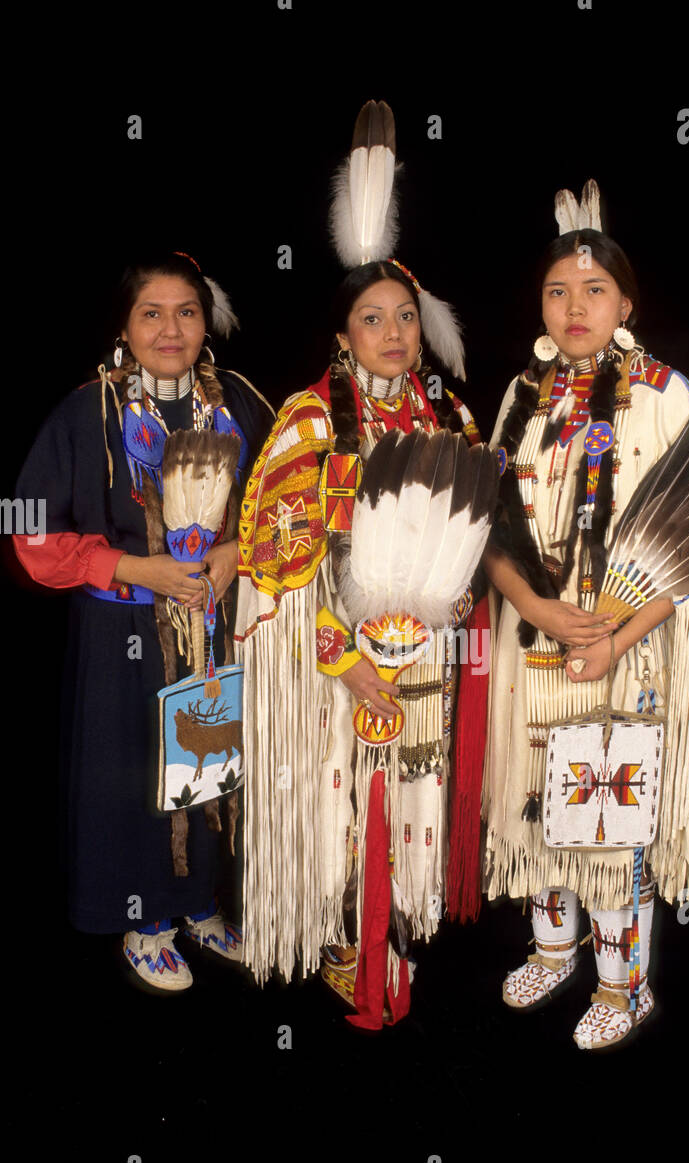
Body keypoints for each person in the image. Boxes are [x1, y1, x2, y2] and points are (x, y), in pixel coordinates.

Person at [236, 102, 485, 1030]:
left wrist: (437, 628)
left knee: (410, 797)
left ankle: (397, 934)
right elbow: (275, 561)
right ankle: (346, 940)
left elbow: (478, 548)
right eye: (372, 319)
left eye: (406, 318)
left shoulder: (449, 423)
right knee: (339, 803)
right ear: (342, 334)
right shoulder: (308, 420)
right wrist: (349, 663)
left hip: (421, 664)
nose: (393, 333)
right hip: (332, 669)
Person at [483, 182, 689, 1049]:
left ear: (625, 303)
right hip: (533, 643)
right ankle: (552, 950)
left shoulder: (665, 396)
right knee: (529, 799)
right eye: (557, 291)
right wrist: (532, 605)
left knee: (602, 804)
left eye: (593, 291)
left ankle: (622, 983)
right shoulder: (521, 400)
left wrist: (616, 635)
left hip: (625, 652)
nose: (574, 306)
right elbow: (485, 528)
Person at [13, 250, 274, 990]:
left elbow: (289, 508)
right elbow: (27, 529)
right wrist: (133, 569)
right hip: (121, 634)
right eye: (151, 313)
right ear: (125, 329)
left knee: (215, 765)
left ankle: (200, 903)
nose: (170, 328)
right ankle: (146, 919)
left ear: (206, 323)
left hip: (218, 626)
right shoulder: (83, 412)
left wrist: (234, 555)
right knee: (132, 772)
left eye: (186, 312)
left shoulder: (243, 405)